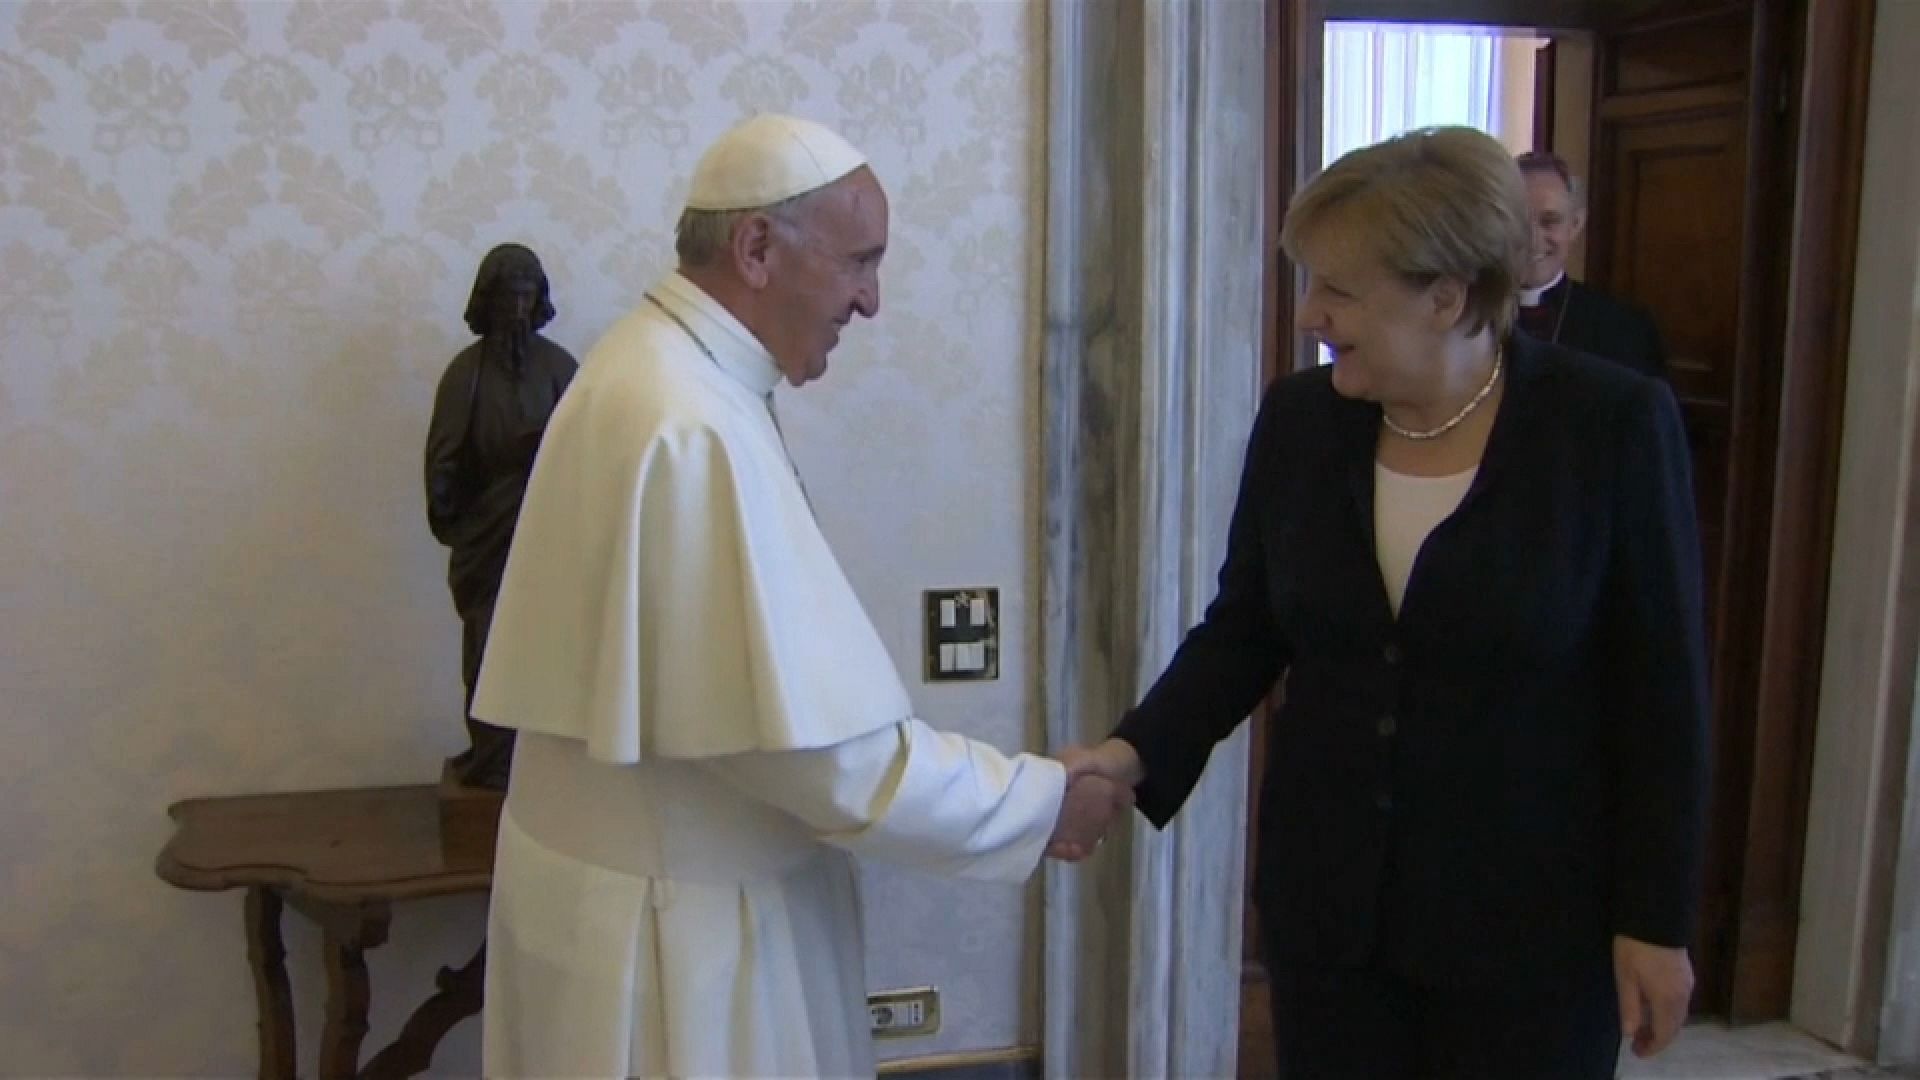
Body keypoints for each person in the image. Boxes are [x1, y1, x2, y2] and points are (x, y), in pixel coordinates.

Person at [470, 113, 1128, 1079]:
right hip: (684, 941)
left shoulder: (647, 367)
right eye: (860, 262)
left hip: (631, 902)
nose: (872, 301)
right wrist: (1038, 801)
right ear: (756, 248)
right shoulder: (689, 422)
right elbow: (826, 760)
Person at [1065, 127, 1709, 1078]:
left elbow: (1663, 694)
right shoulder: (1301, 421)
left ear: (1445, 295)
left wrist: (1655, 922)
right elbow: (1245, 628)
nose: (1307, 315)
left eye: (1337, 289)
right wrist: (1126, 757)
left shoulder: (1609, 425)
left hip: (1532, 932)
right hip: (1333, 923)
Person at [423, 243, 577, 790]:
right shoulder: (465, 374)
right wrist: (460, 518)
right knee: (487, 645)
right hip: (487, 534)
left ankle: (542, 762)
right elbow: (443, 460)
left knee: (550, 647)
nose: (515, 310)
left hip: (549, 529)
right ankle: (492, 758)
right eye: (507, 298)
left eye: (525, 298)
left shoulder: (559, 368)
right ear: (486, 302)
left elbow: (590, 448)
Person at [1513, 149, 1669, 378]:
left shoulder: (1625, 328)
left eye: (1549, 221)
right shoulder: (1468, 317)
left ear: (1575, 225)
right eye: (1518, 221)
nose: (1532, 239)